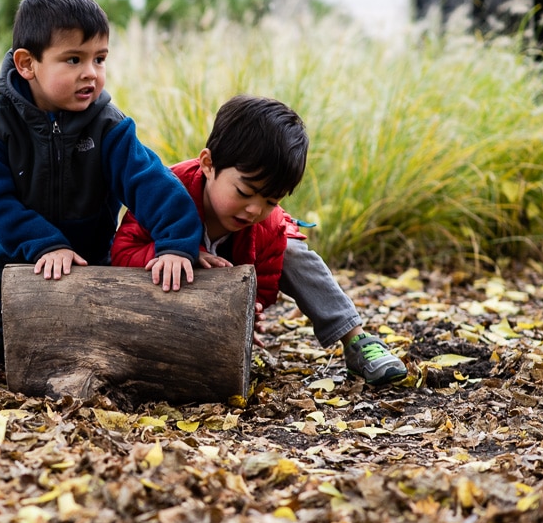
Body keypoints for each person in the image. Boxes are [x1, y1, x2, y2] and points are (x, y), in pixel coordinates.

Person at [0, 0, 202, 363]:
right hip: (10, 258)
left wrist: (176, 243)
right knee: (0, 348)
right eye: (73, 60)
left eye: (100, 59)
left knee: (86, 340)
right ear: (27, 64)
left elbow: (151, 183)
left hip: (87, 259)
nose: (90, 73)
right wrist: (45, 243)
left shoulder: (108, 126)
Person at [111, 95, 408, 386]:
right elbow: (122, 252)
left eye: (270, 200)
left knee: (294, 253)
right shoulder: (162, 192)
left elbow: (263, 280)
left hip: (224, 291)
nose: (254, 209)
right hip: (161, 303)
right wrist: (179, 251)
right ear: (208, 164)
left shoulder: (269, 224)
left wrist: (249, 308)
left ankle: (356, 339)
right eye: (244, 192)